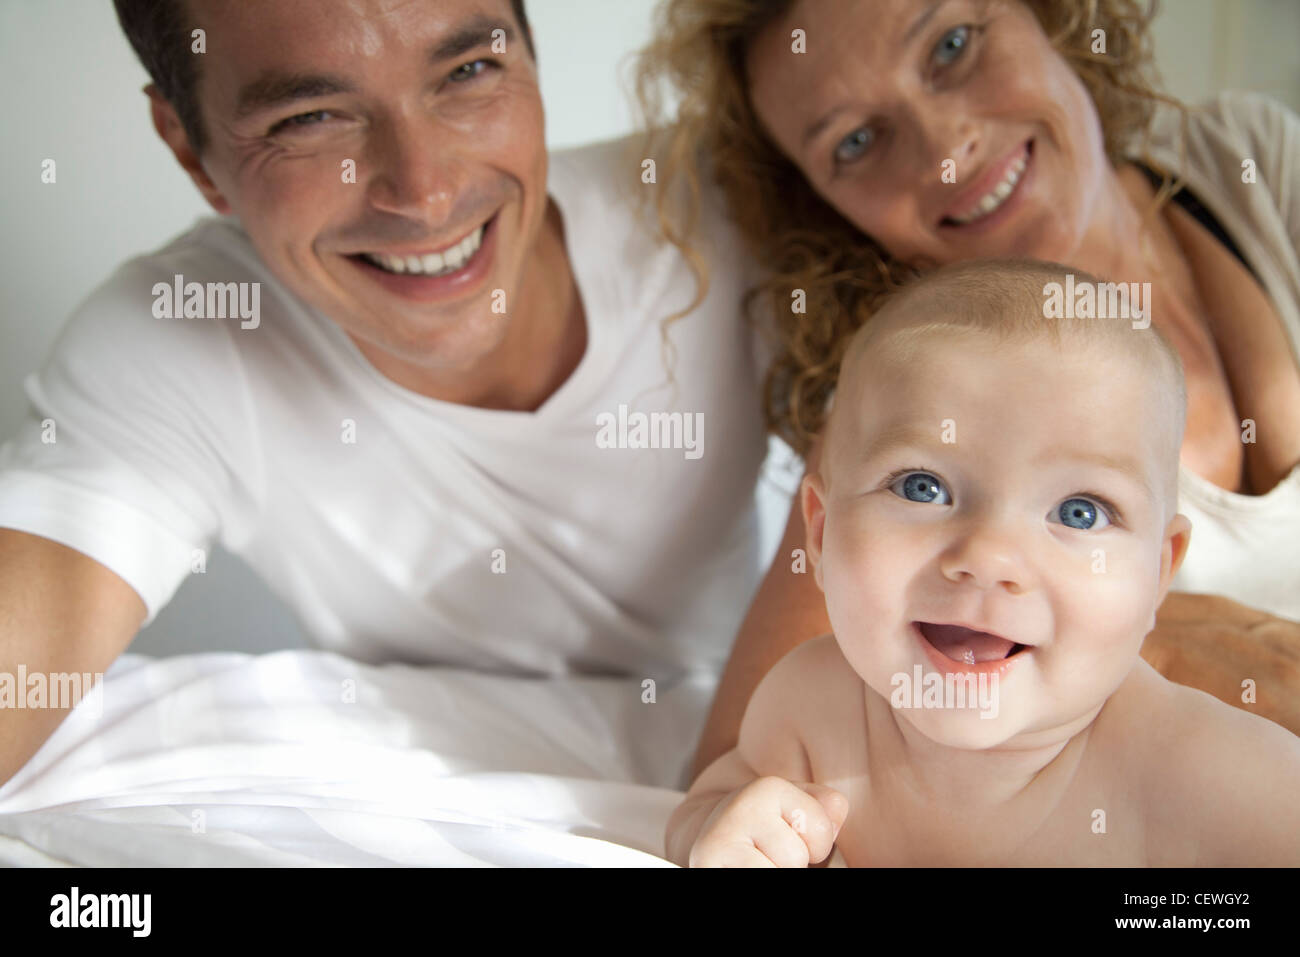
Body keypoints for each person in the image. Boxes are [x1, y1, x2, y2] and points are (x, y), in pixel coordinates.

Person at [0, 0, 773, 789]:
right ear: (190, 151)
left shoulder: (722, 207)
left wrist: (731, 789)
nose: (426, 193)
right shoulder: (178, 334)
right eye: (312, 117)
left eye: (469, 72)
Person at [634, 0, 1300, 780]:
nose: (945, 148)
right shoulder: (902, 426)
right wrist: (1130, 646)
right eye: (856, 140)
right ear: (826, 210)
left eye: (952, 45)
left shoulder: (1250, 163)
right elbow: (736, 773)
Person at [668, 260, 1300, 867]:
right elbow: (704, 808)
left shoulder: (1211, 775)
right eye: (922, 487)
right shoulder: (809, 711)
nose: (988, 559)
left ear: (1159, 573)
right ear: (823, 530)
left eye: (1079, 512)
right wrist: (720, 832)